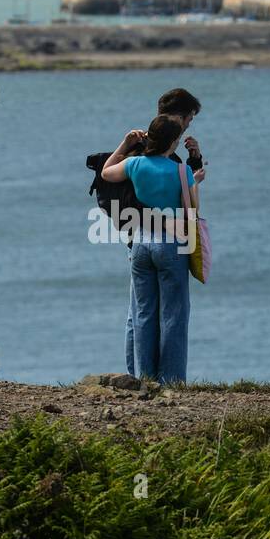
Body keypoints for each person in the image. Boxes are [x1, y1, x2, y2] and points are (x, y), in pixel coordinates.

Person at [101, 114, 199, 384]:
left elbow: (106, 173)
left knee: (143, 312)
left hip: (141, 242)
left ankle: (145, 379)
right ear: (174, 142)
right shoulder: (182, 171)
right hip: (171, 245)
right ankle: (172, 381)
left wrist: (124, 144)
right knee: (173, 315)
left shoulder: (134, 164)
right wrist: (194, 180)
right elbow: (193, 210)